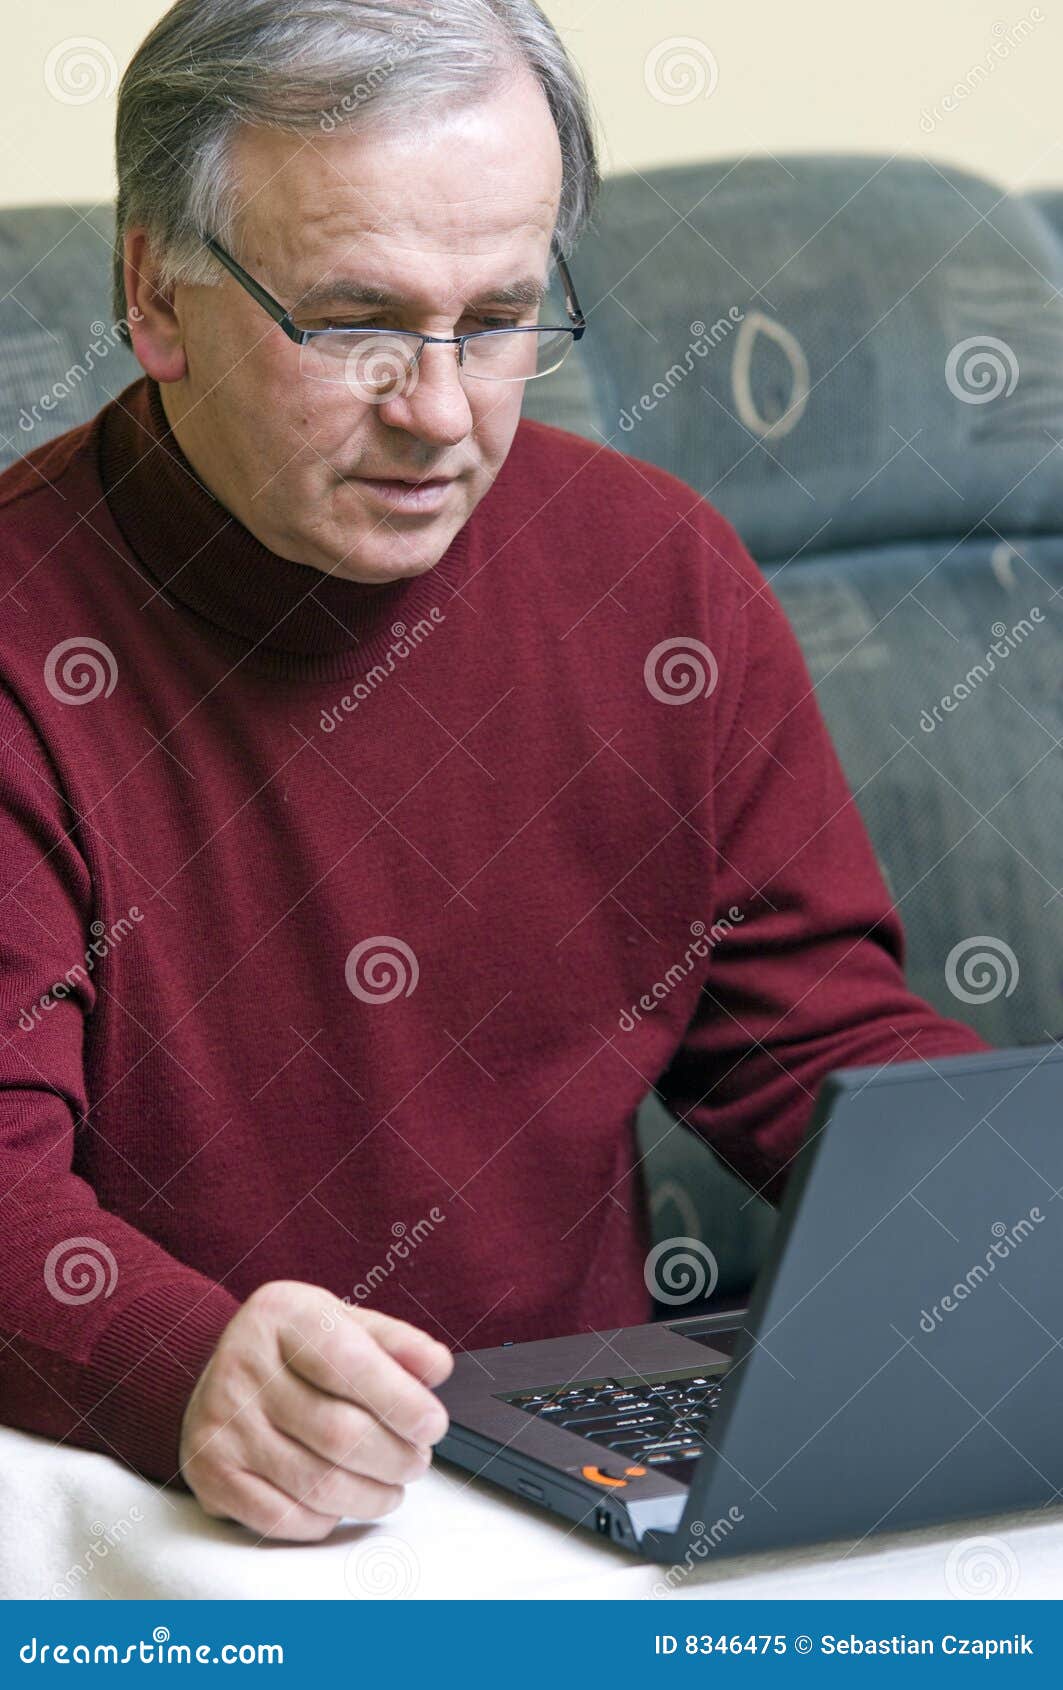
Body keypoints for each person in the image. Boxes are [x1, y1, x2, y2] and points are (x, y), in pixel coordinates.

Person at [0, 0, 986, 1543]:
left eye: (500, 314)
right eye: (356, 321)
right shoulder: (19, 638)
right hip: (155, 1498)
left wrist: (1011, 1200)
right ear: (155, 292)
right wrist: (185, 1365)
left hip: (575, 1488)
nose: (444, 415)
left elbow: (814, 1052)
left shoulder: (661, 579)